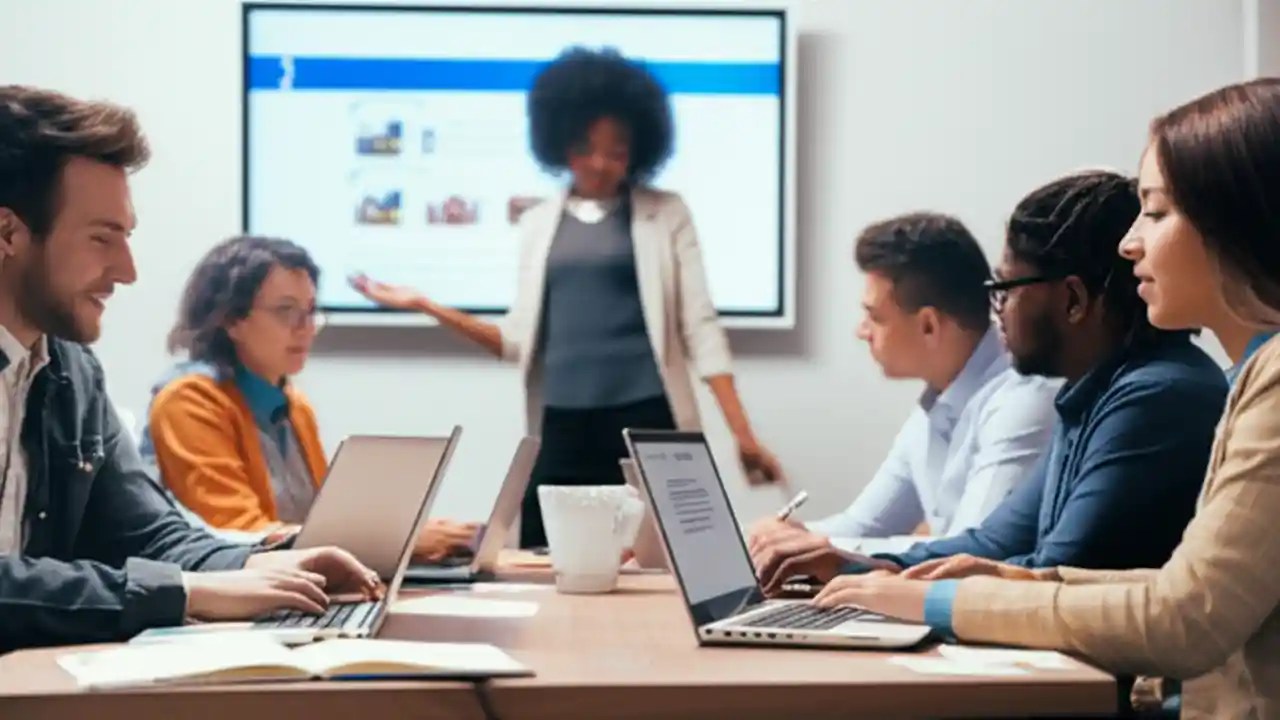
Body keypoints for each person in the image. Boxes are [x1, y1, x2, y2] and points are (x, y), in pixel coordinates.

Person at [807, 78, 1280, 720]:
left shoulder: (1223, 385)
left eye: (1159, 211)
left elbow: (1186, 614)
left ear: (1233, 221)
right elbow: (1169, 587)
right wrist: (1008, 580)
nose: (1130, 242)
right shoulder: (1234, 380)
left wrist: (929, 601)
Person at [350, 47, 783, 548]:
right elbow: (516, 342)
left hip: (648, 420)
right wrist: (426, 305)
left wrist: (743, 437)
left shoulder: (665, 214)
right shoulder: (538, 224)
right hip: (561, 424)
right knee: (544, 554)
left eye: (616, 150)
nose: (600, 162)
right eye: (585, 147)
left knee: (671, 556)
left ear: (639, 149)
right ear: (559, 143)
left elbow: (701, 329)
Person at [0, 85, 379, 651]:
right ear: (8, 233)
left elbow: (148, 533)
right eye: (103, 239)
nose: (126, 271)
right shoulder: (182, 393)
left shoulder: (70, 370)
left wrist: (265, 562)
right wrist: (183, 591)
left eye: (126, 238)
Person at [755, 169, 1227, 593]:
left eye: (1005, 291)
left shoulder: (1153, 396)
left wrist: (885, 582)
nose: (996, 314)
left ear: (1072, 301)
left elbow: (1055, 572)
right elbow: (992, 543)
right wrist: (850, 566)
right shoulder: (1092, 392)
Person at [141, 235, 478, 561]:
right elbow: (238, 534)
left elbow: (321, 525)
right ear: (231, 320)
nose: (305, 328)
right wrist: (403, 541)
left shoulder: (294, 405)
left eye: (311, 311)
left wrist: (405, 538)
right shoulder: (188, 401)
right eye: (286, 311)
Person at [749, 213, 1059, 559]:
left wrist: (818, 547)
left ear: (928, 325)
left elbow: (971, 554)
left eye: (875, 317)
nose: (861, 331)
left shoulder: (1022, 400)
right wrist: (783, 537)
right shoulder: (937, 403)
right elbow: (862, 526)